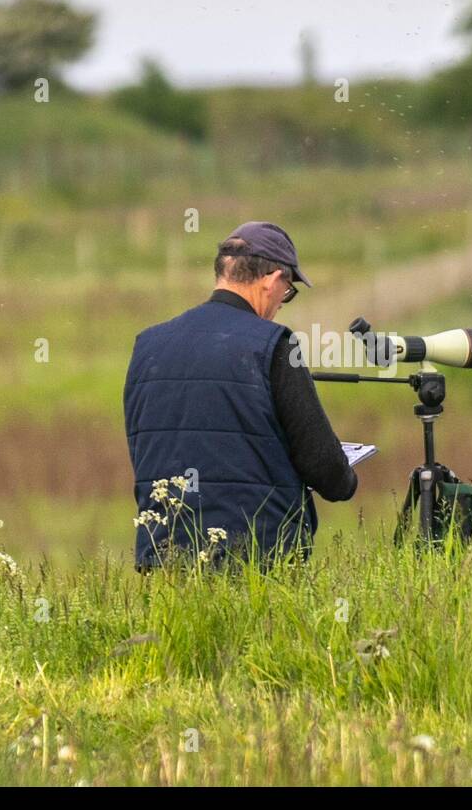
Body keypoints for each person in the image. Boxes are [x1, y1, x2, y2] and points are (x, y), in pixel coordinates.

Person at [124, 221, 357, 570]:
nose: (282, 303)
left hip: (165, 557)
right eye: (288, 291)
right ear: (273, 279)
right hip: (256, 562)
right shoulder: (273, 345)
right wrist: (346, 475)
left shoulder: (148, 346)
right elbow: (328, 472)